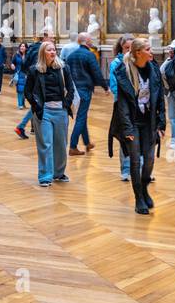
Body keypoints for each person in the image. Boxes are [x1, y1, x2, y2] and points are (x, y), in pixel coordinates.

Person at [109, 37, 166, 215]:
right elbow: (123, 105)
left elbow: (159, 97)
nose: (152, 52)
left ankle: (144, 188)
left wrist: (161, 121)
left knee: (149, 159)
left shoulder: (154, 69)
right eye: (148, 49)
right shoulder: (124, 71)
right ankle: (138, 198)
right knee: (135, 161)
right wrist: (127, 129)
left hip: (149, 121)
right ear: (138, 53)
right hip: (132, 122)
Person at [23, 39, 75, 187]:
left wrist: (65, 104)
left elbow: (70, 89)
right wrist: (37, 107)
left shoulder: (64, 68)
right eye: (49, 50)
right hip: (43, 112)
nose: (53, 52)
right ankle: (45, 175)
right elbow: (28, 91)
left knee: (61, 144)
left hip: (61, 111)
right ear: (43, 53)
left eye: (54, 49)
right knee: (46, 144)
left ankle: (59, 173)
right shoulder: (35, 70)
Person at [66, 32, 108, 156]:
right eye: (90, 39)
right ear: (86, 41)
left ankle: (87, 142)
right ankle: (73, 146)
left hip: (74, 90)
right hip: (84, 90)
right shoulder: (89, 55)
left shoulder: (71, 56)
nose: (92, 40)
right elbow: (97, 72)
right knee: (81, 117)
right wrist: (105, 87)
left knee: (81, 116)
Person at [14, 28, 55, 140]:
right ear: (45, 37)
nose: (53, 39)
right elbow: (42, 66)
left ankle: (25, 127)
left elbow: (24, 65)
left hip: (32, 79)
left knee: (37, 104)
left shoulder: (32, 47)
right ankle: (23, 126)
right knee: (38, 104)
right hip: (39, 81)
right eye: (51, 37)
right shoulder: (42, 49)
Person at [108, 34, 134, 181]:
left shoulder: (139, 62)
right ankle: (125, 169)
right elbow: (114, 86)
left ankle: (142, 169)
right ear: (121, 48)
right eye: (126, 48)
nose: (129, 51)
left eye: (132, 48)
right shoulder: (116, 64)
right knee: (125, 137)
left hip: (138, 106)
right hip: (122, 105)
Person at [11, 42, 29, 110]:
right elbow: (13, 62)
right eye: (21, 46)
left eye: (23, 46)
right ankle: (20, 104)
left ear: (26, 48)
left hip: (26, 74)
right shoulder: (16, 55)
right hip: (19, 73)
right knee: (20, 89)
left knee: (25, 90)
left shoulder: (28, 55)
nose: (22, 47)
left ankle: (23, 103)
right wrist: (12, 66)